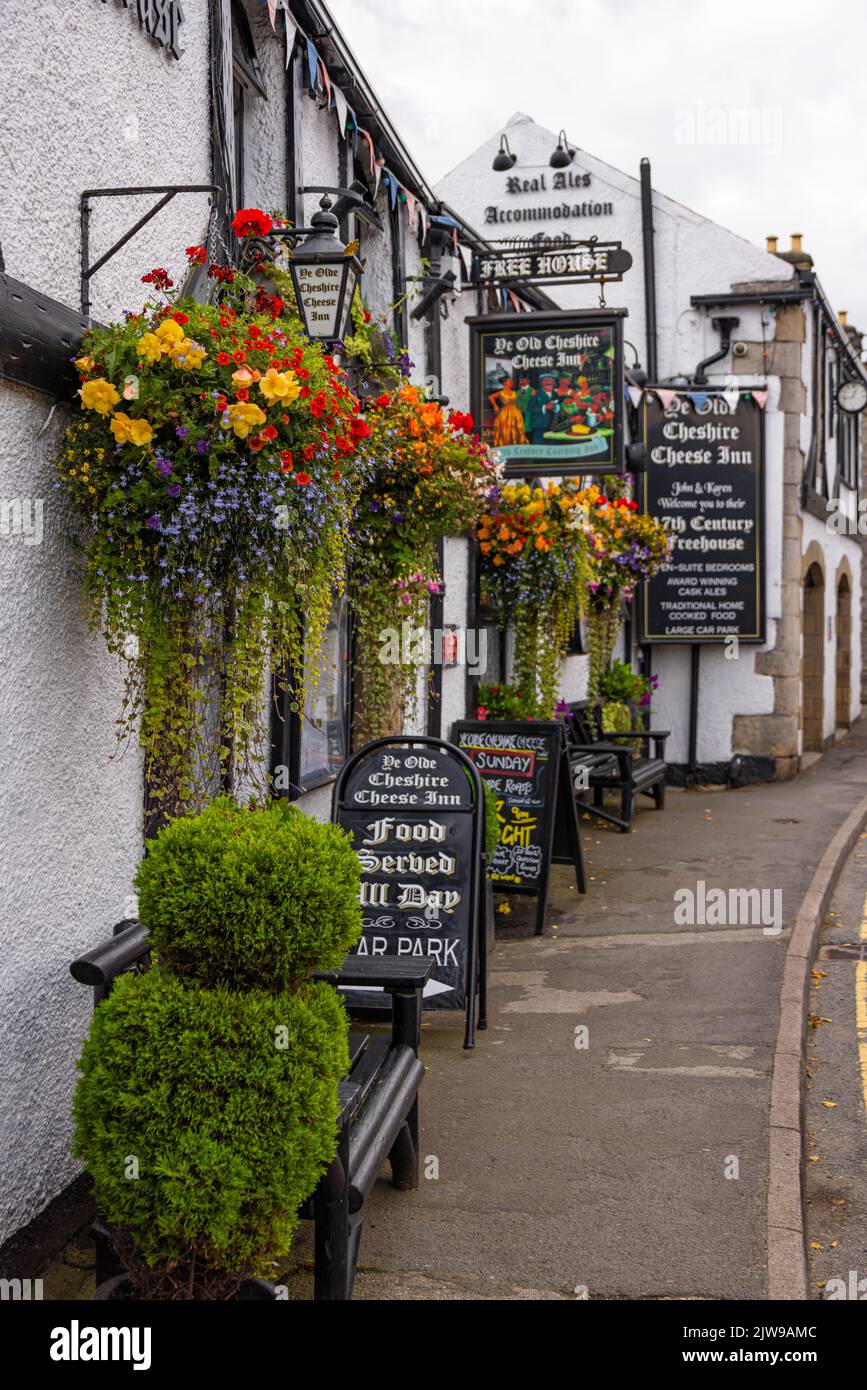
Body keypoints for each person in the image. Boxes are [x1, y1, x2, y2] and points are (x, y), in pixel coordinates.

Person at [488, 376, 527, 446]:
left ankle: (516, 444)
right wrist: (495, 406)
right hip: (505, 412)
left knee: (517, 428)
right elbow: (490, 397)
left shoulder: (514, 392)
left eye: (511, 381)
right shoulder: (501, 393)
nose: (511, 382)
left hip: (516, 412)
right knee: (505, 429)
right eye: (509, 381)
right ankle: (505, 444)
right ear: (504, 383)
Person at [528, 374, 560, 443]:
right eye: (545, 381)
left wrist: (555, 407)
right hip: (539, 426)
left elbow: (558, 408)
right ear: (541, 383)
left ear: (553, 382)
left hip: (552, 427)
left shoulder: (555, 394)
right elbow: (530, 408)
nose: (548, 382)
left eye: (550, 380)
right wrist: (544, 407)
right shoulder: (535, 393)